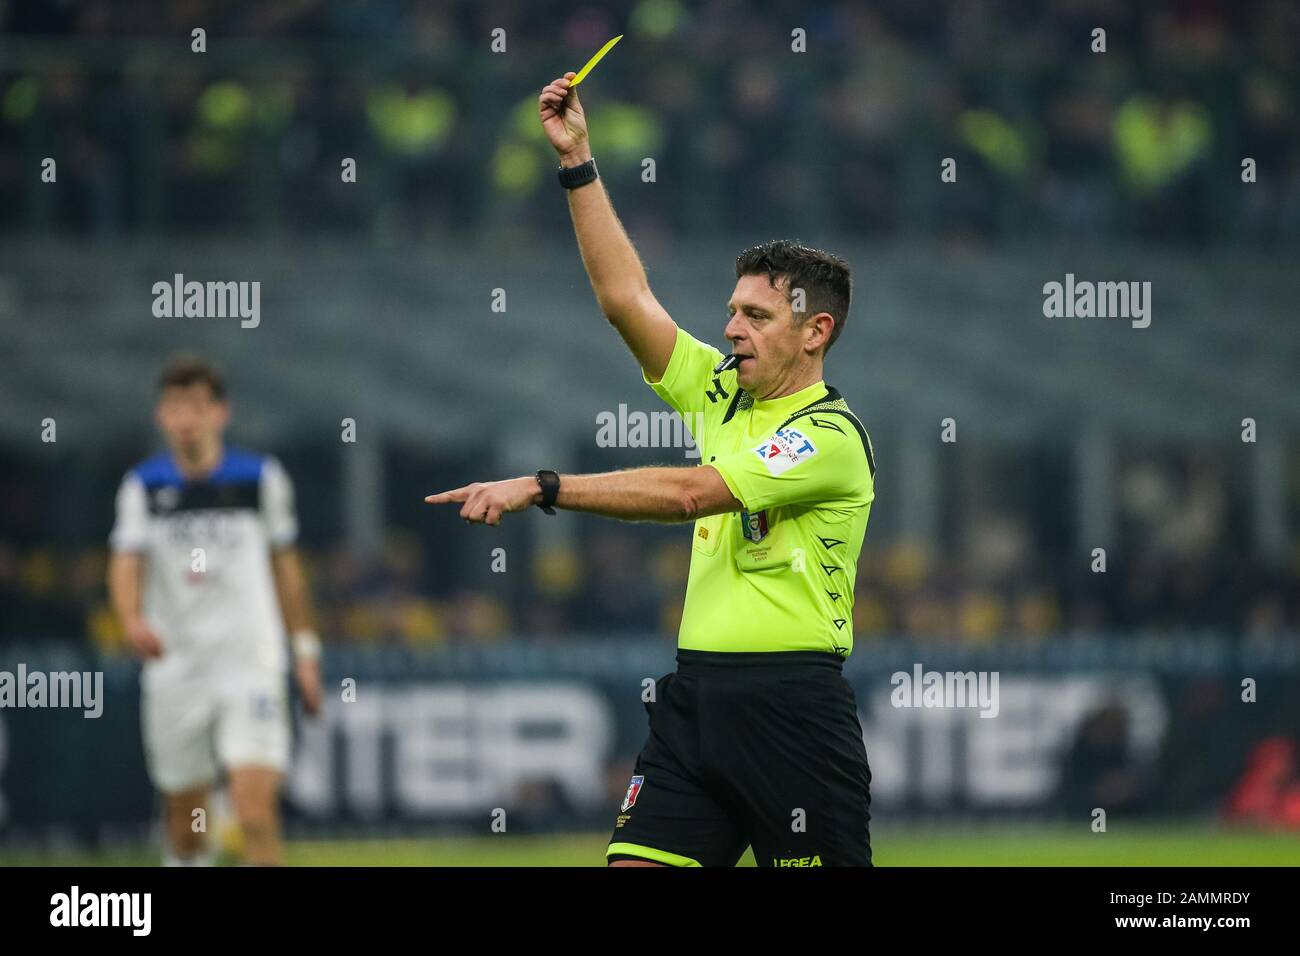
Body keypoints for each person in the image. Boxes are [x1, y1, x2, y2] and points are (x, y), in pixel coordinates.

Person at [424, 72, 876, 867]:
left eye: (757, 315)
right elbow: (625, 296)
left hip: (792, 713)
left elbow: (693, 494)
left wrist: (546, 485)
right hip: (694, 701)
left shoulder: (829, 435)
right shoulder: (721, 394)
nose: (731, 326)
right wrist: (578, 163)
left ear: (816, 332)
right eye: (733, 309)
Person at [107, 353, 323, 866]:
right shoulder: (144, 487)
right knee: (186, 827)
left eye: (197, 407)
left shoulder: (260, 479)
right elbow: (124, 563)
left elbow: (286, 570)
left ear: (220, 413)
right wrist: (131, 619)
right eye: (176, 408)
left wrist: (306, 651)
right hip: (176, 668)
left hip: (250, 662)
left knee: (254, 811)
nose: (186, 420)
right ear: (161, 416)